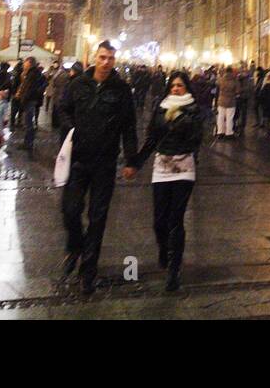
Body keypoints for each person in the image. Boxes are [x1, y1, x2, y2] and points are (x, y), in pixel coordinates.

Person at [56, 40, 139, 295]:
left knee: (98, 217)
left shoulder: (122, 90)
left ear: (115, 60)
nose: (106, 62)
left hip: (105, 161)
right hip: (78, 158)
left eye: (110, 58)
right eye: (102, 57)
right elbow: (62, 109)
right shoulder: (78, 84)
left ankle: (88, 270)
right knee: (70, 208)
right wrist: (72, 129)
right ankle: (75, 246)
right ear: (95, 57)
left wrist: (131, 160)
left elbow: (129, 126)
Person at [132, 70, 203, 292]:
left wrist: (181, 123)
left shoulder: (193, 110)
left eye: (180, 85)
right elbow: (152, 137)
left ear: (186, 88)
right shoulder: (161, 107)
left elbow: (196, 139)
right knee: (159, 220)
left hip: (183, 168)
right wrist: (135, 163)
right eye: (173, 85)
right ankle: (164, 248)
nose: (175, 88)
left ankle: (174, 268)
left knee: (176, 218)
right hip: (161, 167)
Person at [18, 57, 47, 152]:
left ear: (30, 63)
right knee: (28, 122)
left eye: (25, 63)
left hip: (29, 100)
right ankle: (27, 143)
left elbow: (29, 89)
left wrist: (23, 99)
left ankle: (28, 144)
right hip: (31, 100)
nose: (24, 65)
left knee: (28, 123)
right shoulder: (33, 73)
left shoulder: (32, 74)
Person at [52, 61, 84, 143]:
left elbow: (64, 104)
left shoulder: (72, 83)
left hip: (70, 122)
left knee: (66, 143)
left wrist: (67, 123)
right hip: (76, 122)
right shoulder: (83, 83)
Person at [215, 64, 239, 138]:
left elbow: (217, 84)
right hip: (231, 101)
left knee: (220, 117)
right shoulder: (235, 80)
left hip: (221, 100)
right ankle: (229, 133)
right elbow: (238, 91)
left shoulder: (221, 79)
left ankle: (220, 132)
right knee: (230, 118)